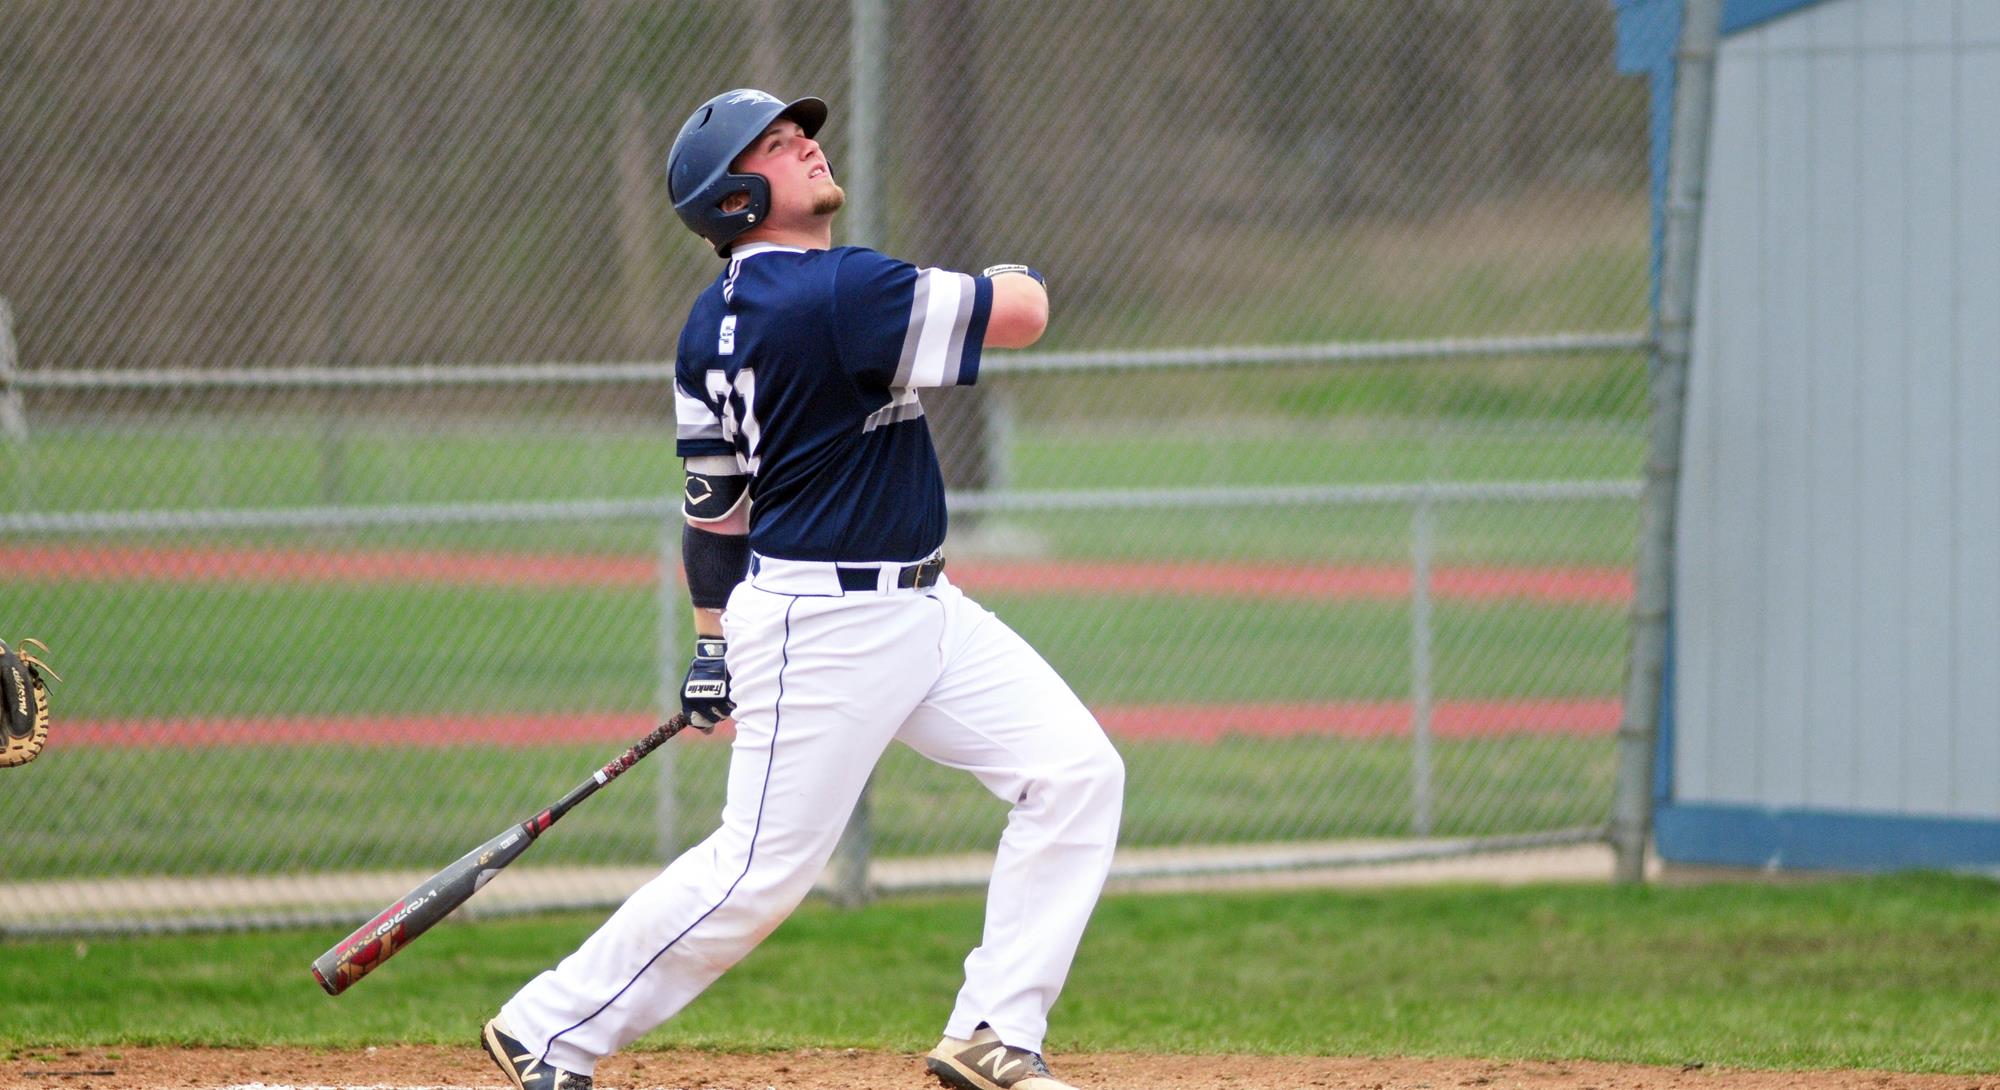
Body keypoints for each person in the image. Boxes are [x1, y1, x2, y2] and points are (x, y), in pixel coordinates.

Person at [480, 88, 1125, 1090]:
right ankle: (550, 1025)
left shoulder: (709, 325)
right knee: (757, 870)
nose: (809, 150)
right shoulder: (838, 294)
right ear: (735, 197)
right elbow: (1027, 312)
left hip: (918, 607)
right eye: (778, 147)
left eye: (800, 136)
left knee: (1075, 772)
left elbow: (715, 514)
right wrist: (1015, 271)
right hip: (829, 621)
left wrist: (709, 641)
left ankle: (994, 1029)